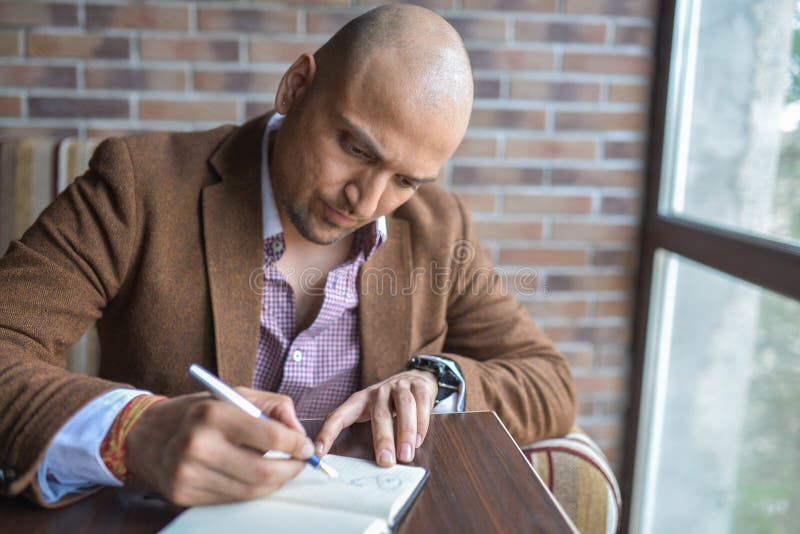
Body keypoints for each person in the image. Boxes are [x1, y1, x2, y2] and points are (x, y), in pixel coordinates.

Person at [0, 4, 576, 508]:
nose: (366, 201)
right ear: (296, 87)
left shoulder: (438, 228)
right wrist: (136, 431)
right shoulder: (140, 185)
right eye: (355, 148)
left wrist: (436, 383)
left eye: (405, 180)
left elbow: (548, 380)